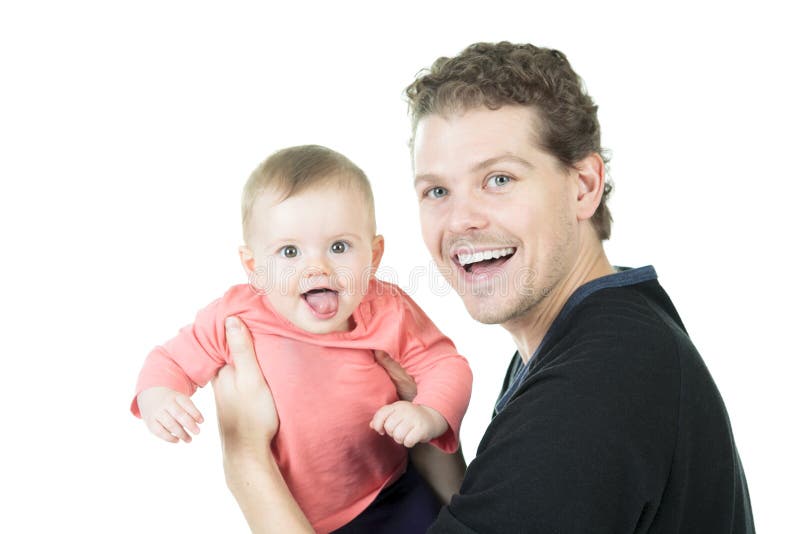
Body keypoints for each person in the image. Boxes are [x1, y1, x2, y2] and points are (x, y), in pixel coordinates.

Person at [213, 42, 756, 533]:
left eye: (498, 179)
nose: (461, 219)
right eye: (437, 190)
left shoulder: (598, 381)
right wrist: (427, 435)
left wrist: (245, 460)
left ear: (583, 187)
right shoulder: (592, 338)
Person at [131, 145, 473, 533]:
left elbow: (446, 365)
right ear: (254, 267)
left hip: (393, 490)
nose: (317, 267)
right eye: (289, 252)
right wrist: (160, 396)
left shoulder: (385, 307)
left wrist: (428, 412)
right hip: (300, 520)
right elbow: (168, 361)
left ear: (374, 255)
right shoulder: (234, 318)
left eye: (339, 247)